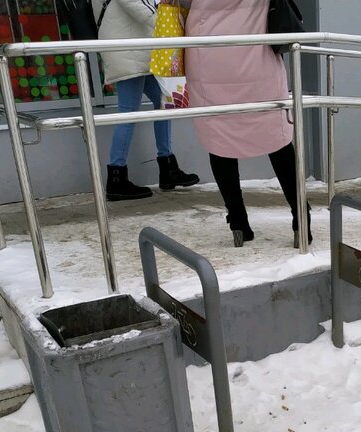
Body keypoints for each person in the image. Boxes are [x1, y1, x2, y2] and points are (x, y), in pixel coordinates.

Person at [184, 0, 311, 247]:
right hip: (256, 54)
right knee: (277, 137)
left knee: (220, 138)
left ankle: (239, 224)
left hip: (208, 56)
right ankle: (301, 219)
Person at [94, 0, 199, 200]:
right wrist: (175, 24)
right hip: (127, 52)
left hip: (141, 51)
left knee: (163, 102)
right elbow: (145, 13)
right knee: (128, 113)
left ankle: (167, 167)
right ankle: (116, 177)